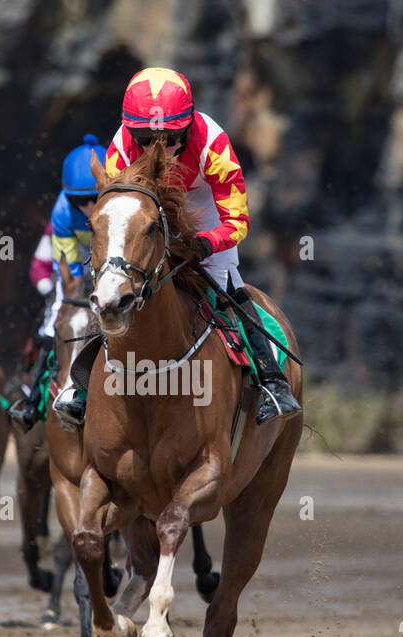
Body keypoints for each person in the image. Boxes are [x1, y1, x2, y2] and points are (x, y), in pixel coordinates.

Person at [51, 67, 301, 430]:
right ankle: (80, 387)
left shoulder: (213, 143)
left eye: (170, 138)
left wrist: (204, 243)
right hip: (147, 208)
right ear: (130, 130)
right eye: (146, 137)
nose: (158, 147)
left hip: (204, 205)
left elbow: (237, 221)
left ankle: (271, 382)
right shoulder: (120, 149)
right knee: (110, 289)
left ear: (188, 126)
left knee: (227, 283)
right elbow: (120, 215)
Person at [8, 134, 106, 431]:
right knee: (52, 324)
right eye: (81, 201)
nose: (89, 208)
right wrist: (68, 291)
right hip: (78, 272)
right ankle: (34, 398)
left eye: (95, 198)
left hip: (112, 263)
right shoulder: (62, 213)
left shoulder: (119, 203)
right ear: (69, 198)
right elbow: (66, 264)